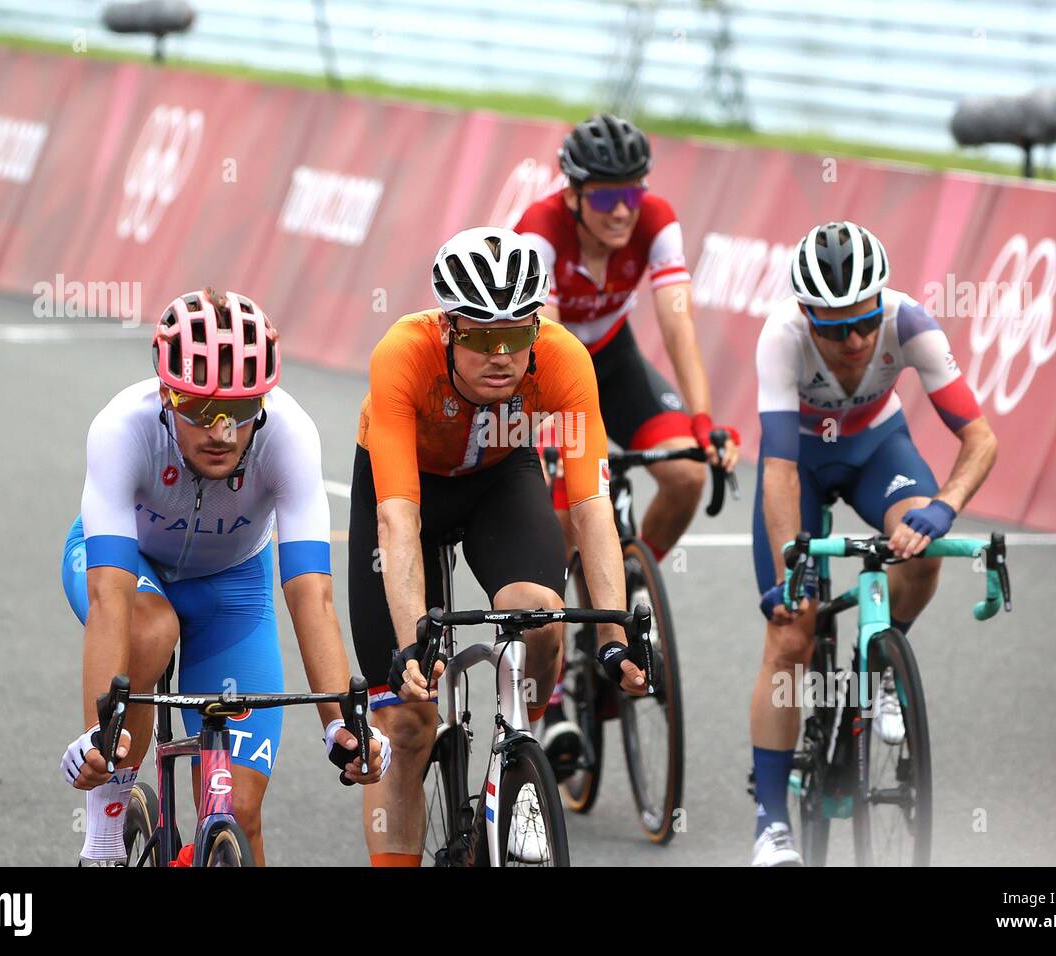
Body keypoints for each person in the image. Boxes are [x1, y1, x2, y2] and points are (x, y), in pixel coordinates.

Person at [348, 226, 649, 867]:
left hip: (499, 478)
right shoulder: (402, 353)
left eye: (516, 336)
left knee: (538, 616)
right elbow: (398, 521)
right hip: (411, 491)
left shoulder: (566, 359)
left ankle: (523, 742)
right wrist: (411, 645)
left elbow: (592, 505)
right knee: (405, 724)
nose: (502, 356)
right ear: (450, 330)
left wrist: (616, 631)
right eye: (483, 338)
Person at [58, 287, 388, 867]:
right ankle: (106, 829)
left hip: (233, 590)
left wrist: (343, 725)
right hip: (127, 569)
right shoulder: (121, 428)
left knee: (238, 811)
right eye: (199, 409)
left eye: (240, 411)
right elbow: (110, 598)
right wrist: (96, 739)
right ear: (166, 394)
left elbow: (312, 594)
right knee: (150, 626)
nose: (222, 432)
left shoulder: (290, 433)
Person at [749, 221, 998, 866]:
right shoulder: (781, 336)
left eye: (863, 321)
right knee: (790, 635)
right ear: (807, 315)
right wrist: (792, 569)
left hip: (874, 450)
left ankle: (884, 669)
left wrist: (944, 507)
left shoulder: (910, 323)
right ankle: (770, 826)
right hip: (798, 463)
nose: (855, 340)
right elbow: (777, 468)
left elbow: (980, 438)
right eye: (833, 328)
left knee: (917, 548)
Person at [514, 113, 740, 563]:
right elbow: (551, 342)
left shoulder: (655, 219)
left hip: (615, 360)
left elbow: (679, 323)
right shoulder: (540, 228)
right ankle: (562, 609)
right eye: (606, 198)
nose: (622, 211)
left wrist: (701, 418)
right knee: (560, 514)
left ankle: (634, 579)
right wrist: (556, 436)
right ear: (573, 195)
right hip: (546, 368)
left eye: (633, 192)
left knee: (687, 474)